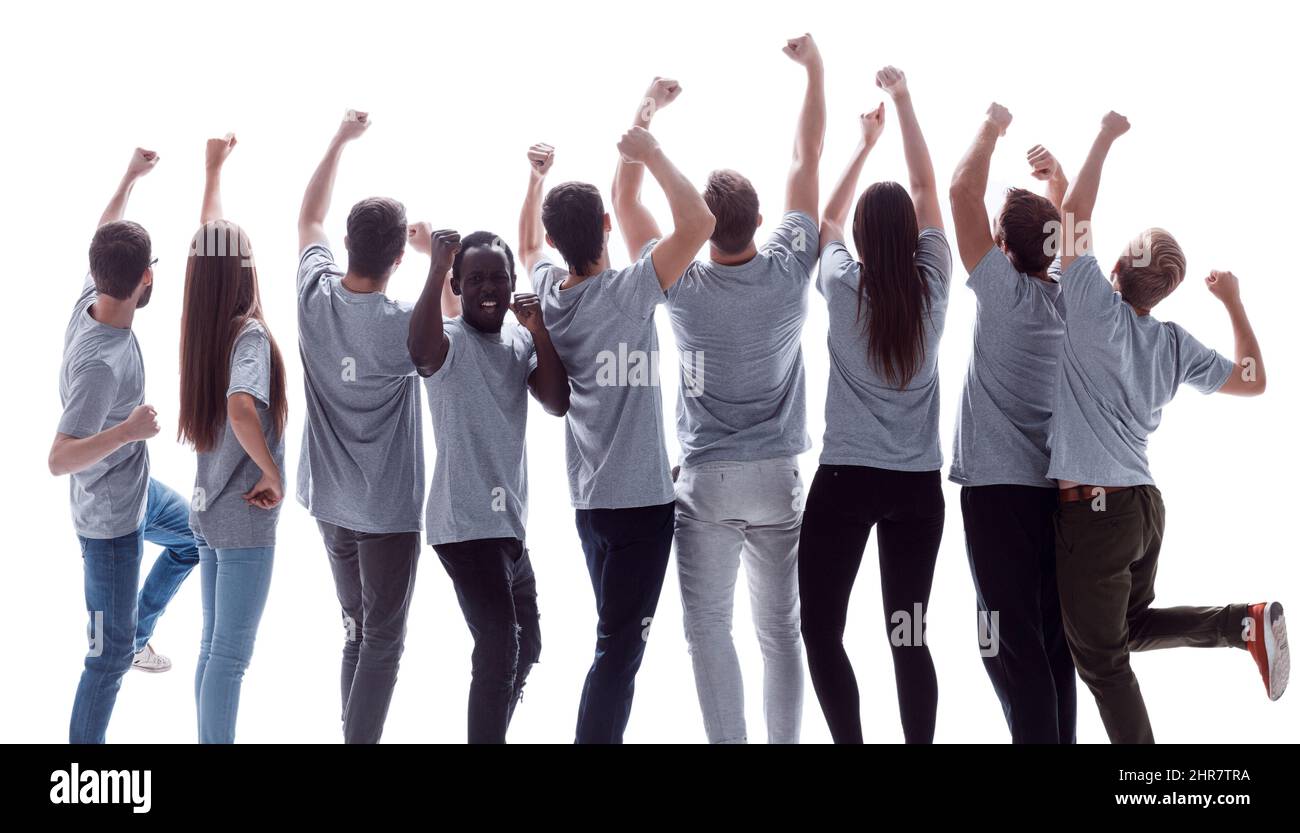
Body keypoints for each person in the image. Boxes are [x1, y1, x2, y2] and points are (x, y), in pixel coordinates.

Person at [609, 34, 825, 744]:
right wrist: (814, 69)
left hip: (706, 480)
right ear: (761, 221)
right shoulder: (793, 268)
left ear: (697, 229)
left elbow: (624, 194)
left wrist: (649, 109)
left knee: (708, 631)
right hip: (777, 480)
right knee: (781, 633)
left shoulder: (679, 280)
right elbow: (805, 158)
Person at [1050, 111, 1288, 743]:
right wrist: (1234, 302)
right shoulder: (1173, 342)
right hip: (1143, 510)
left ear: (1121, 267)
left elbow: (1073, 217)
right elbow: (1253, 377)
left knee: (1103, 662)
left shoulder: (1093, 309)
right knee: (1123, 630)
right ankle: (1242, 623)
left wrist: (1102, 135)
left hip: (1098, 515)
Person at [518, 128, 715, 743]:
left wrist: (534, 178)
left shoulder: (550, 292)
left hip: (590, 505)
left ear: (556, 241)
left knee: (616, 641)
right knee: (619, 650)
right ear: (608, 224)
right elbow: (700, 222)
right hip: (641, 508)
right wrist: (652, 150)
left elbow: (525, 240)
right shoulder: (630, 291)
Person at [796, 67, 949, 744]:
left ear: (861, 238)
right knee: (908, 636)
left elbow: (826, 218)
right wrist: (905, 102)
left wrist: (862, 144)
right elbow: (925, 187)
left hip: (846, 483)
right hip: (917, 488)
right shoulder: (934, 288)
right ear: (914, 238)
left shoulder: (839, 282)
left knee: (820, 630)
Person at [296, 110, 457, 743]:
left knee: (357, 630)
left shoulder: (312, 295)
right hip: (386, 514)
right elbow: (451, 319)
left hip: (330, 507)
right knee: (382, 642)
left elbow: (308, 218)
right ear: (395, 258)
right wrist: (431, 257)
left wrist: (337, 138)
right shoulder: (401, 328)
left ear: (347, 243)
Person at [51, 147, 200, 743]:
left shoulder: (91, 295)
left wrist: (129, 178)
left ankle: (134, 635)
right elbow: (58, 457)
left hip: (137, 494)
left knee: (193, 536)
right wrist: (128, 431)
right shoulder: (100, 367)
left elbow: (102, 236)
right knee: (102, 662)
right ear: (146, 277)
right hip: (109, 527)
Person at [407, 226, 569, 743]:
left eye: (497, 278)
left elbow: (557, 401)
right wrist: (434, 269)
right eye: (474, 279)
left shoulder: (519, 338)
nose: (488, 289)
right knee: (499, 649)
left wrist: (539, 329)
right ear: (457, 284)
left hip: (509, 529)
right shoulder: (449, 340)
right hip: (464, 526)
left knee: (528, 646)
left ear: (512, 282)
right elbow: (420, 352)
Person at [948, 103, 1077, 743]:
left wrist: (992, 127)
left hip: (997, 495)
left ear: (1001, 249)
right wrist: (1057, 185)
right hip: (1053, 495)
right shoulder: (1073, 302)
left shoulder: (1003, 294)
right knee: (1052, 645)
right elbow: (1071, 239)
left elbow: (959, 191)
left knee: (1008, 647)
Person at [178, 133, 288, 743]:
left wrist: (212, 168)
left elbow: (208, 243)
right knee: (230, 658)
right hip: (244, 517)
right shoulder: (246, 334)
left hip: (209, 512)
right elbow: (242, 406)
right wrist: (270, 470)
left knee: (211, 650)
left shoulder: (202, 326)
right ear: (245, 270)